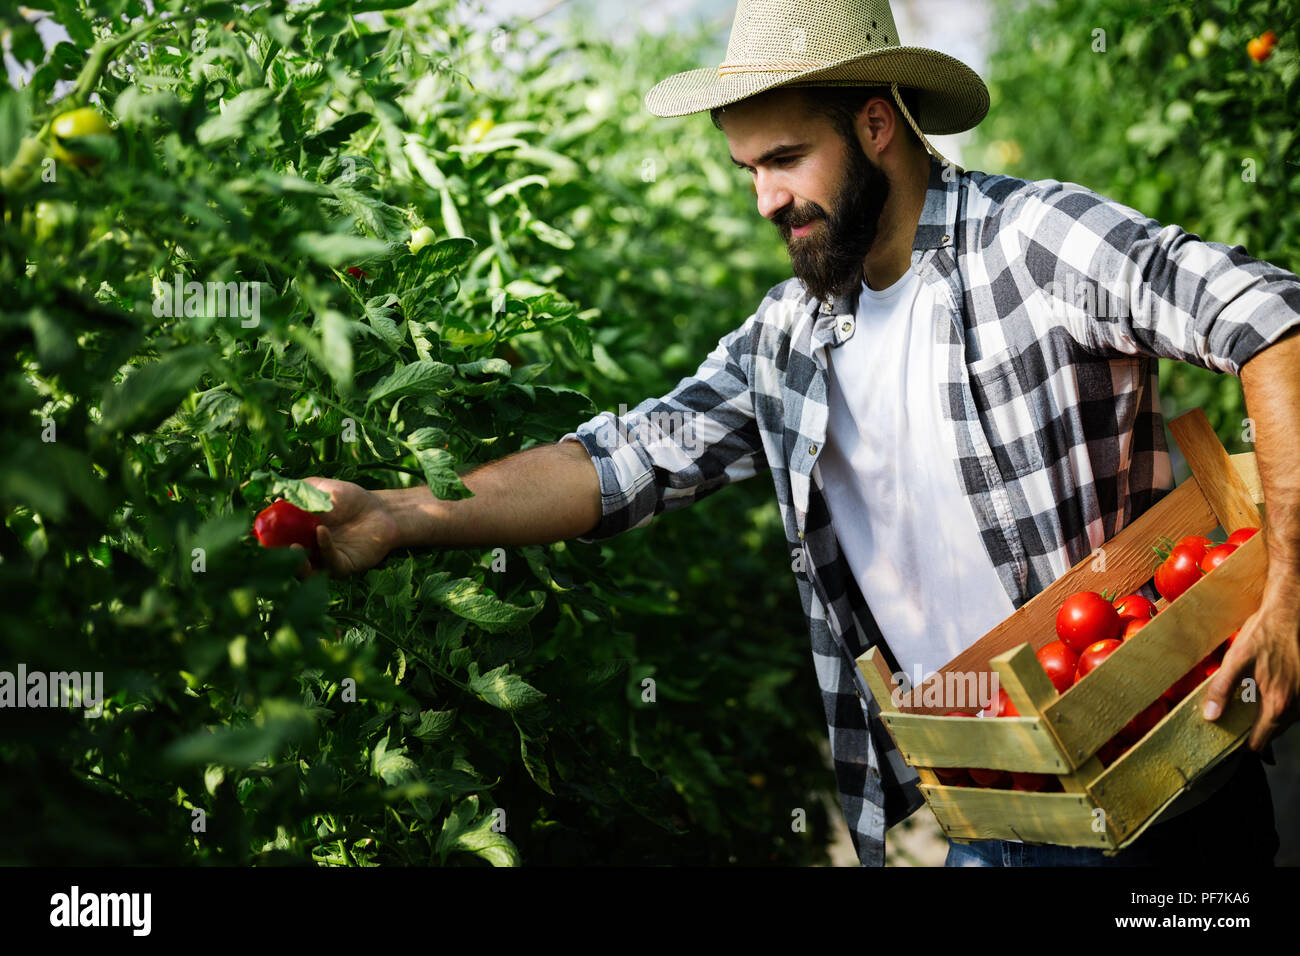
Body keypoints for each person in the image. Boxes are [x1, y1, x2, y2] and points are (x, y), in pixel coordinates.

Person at [297, 0, 1300, 866]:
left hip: (1164, 785)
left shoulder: (1032, 245)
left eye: (784, 159)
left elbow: (1273, 318)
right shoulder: (793, 335)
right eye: (747, 167)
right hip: (990, 808)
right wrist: (397, 514)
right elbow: (622, 463)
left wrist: (1290, 584)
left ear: (875, 125)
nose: (766, 198)